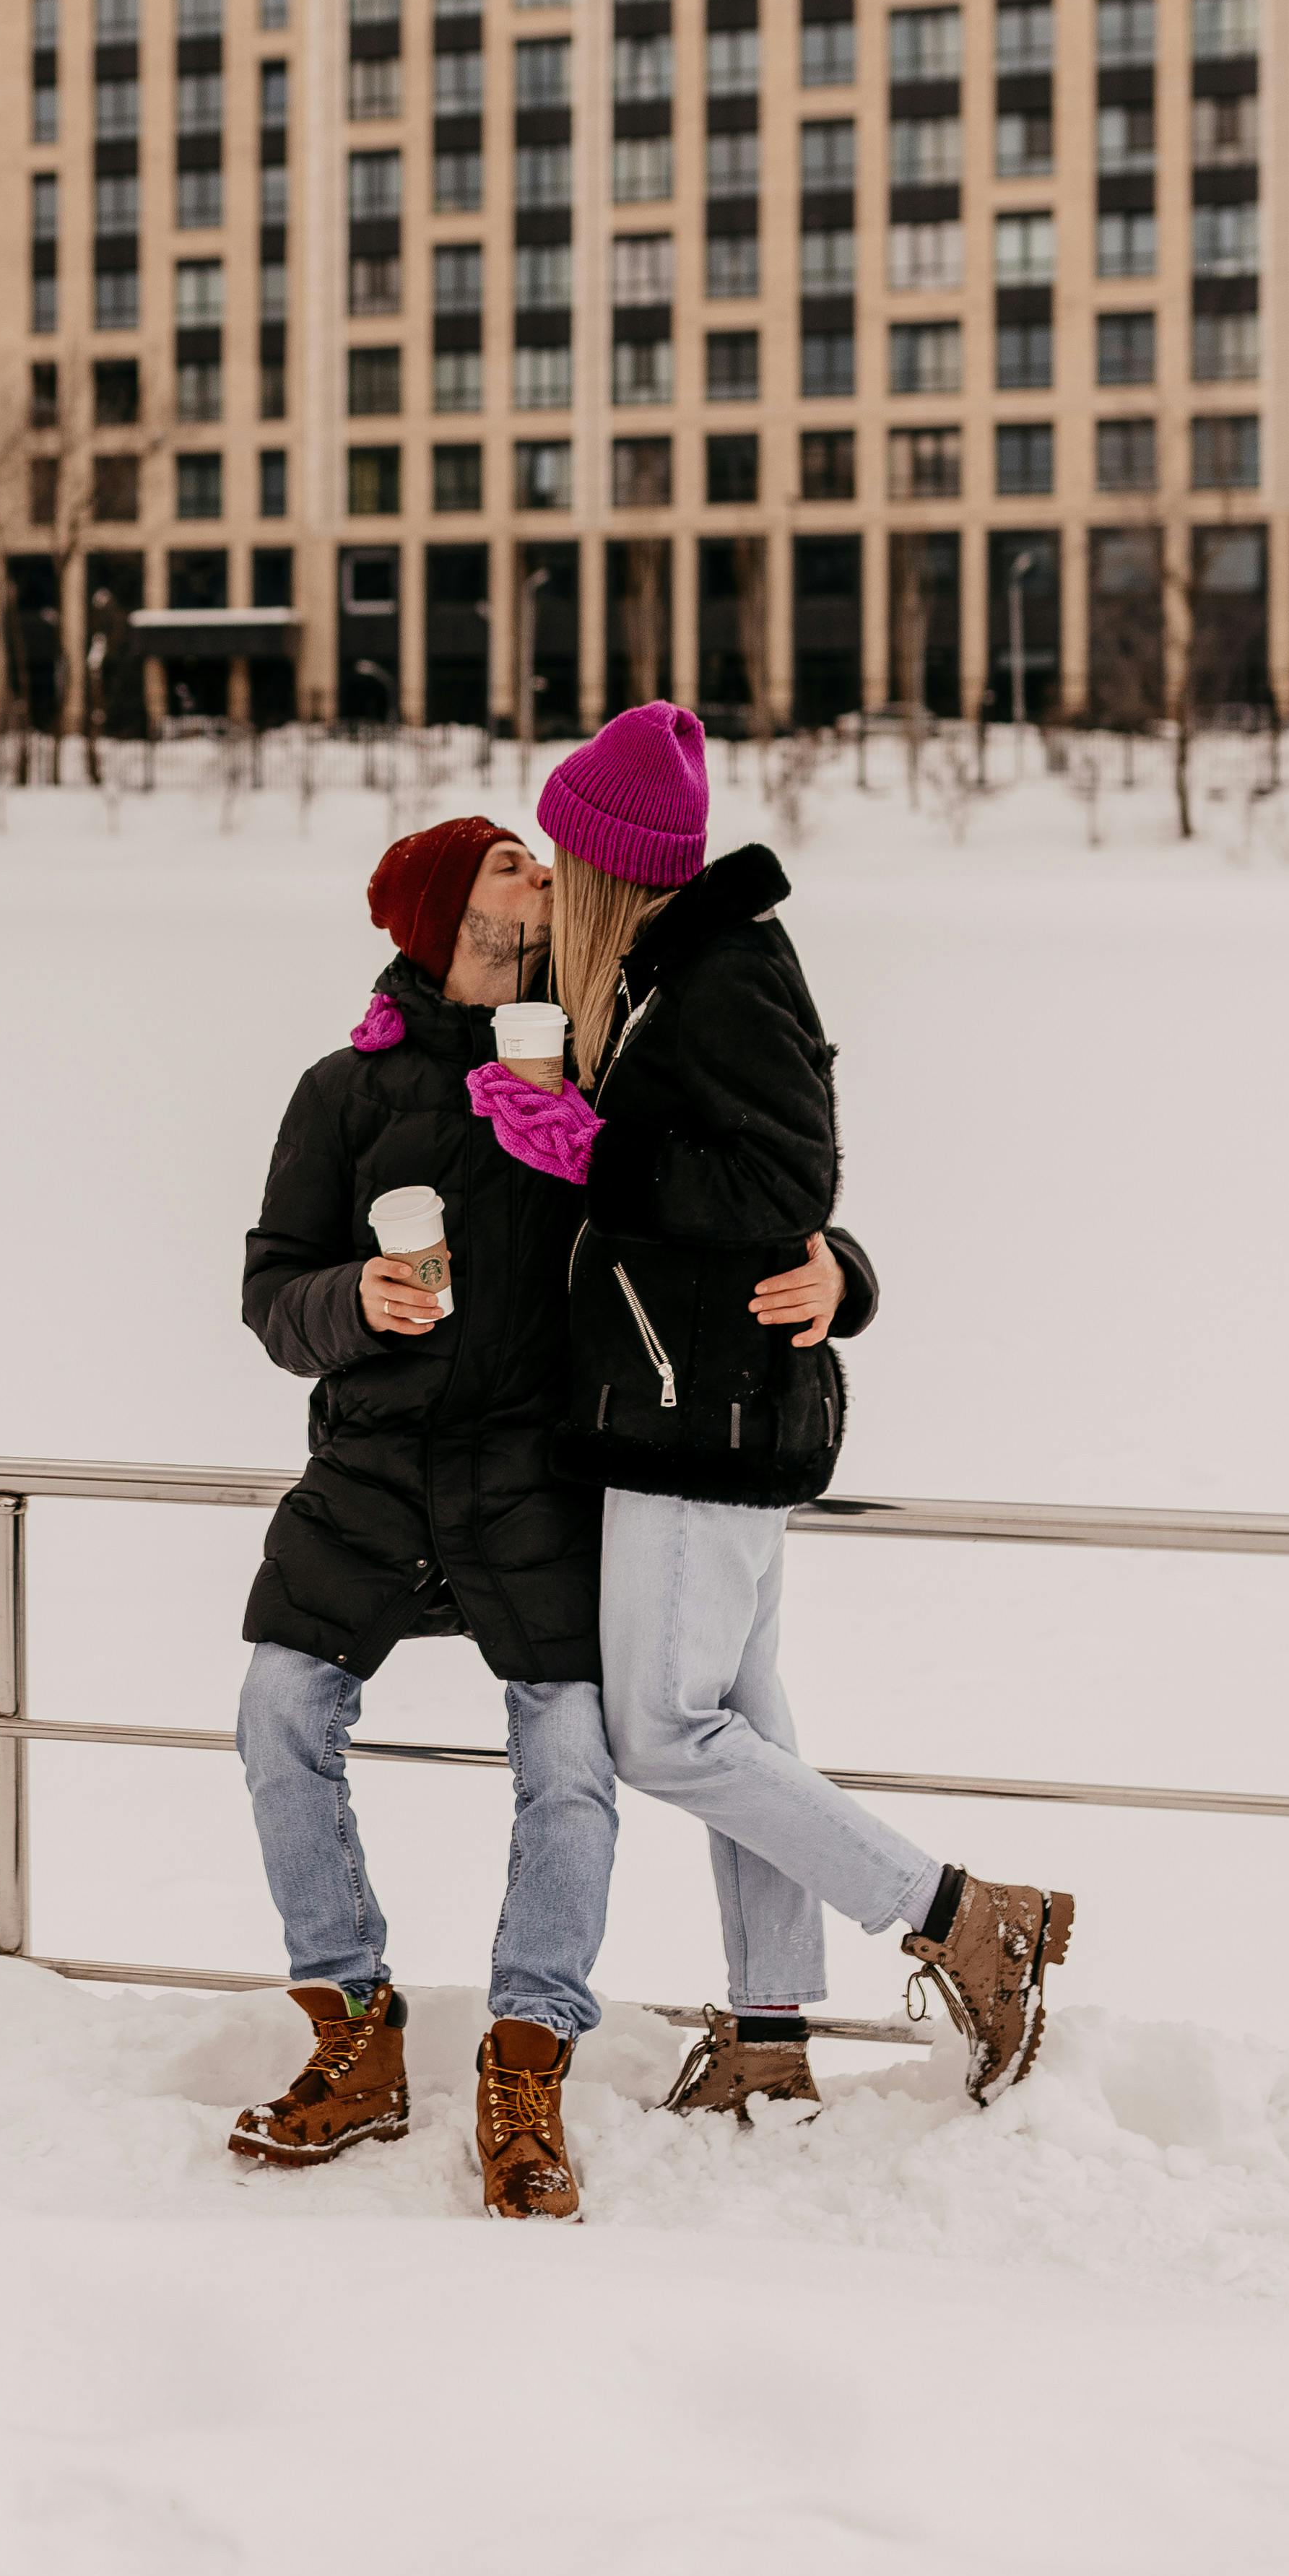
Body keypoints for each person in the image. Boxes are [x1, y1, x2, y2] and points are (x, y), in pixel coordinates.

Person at [233, 809, 855, 2212]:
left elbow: (747, 1186)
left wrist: (841, 1268)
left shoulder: (588, 1064)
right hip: (370, 1476)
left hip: (540, 1483)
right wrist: (353, 1300)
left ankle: (527, 2054)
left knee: (571, 1761)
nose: (546, 872)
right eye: (509, 862)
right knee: (277, 1714)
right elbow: (273, 1290)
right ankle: (351, 2027)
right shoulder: (341, 1093)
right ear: (445, 915)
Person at [465, 700, 1074, 2116]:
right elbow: (765, 1192)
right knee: (739, 1724)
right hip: (698, 1398)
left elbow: (785, 1182)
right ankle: (768, 2026)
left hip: (700, 1418)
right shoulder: (664, 968)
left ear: (613, 860)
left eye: (568, 850)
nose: (558, 874)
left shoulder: (721, 972)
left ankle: (962, 1916)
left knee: (664, 1734)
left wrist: (597, 1155)